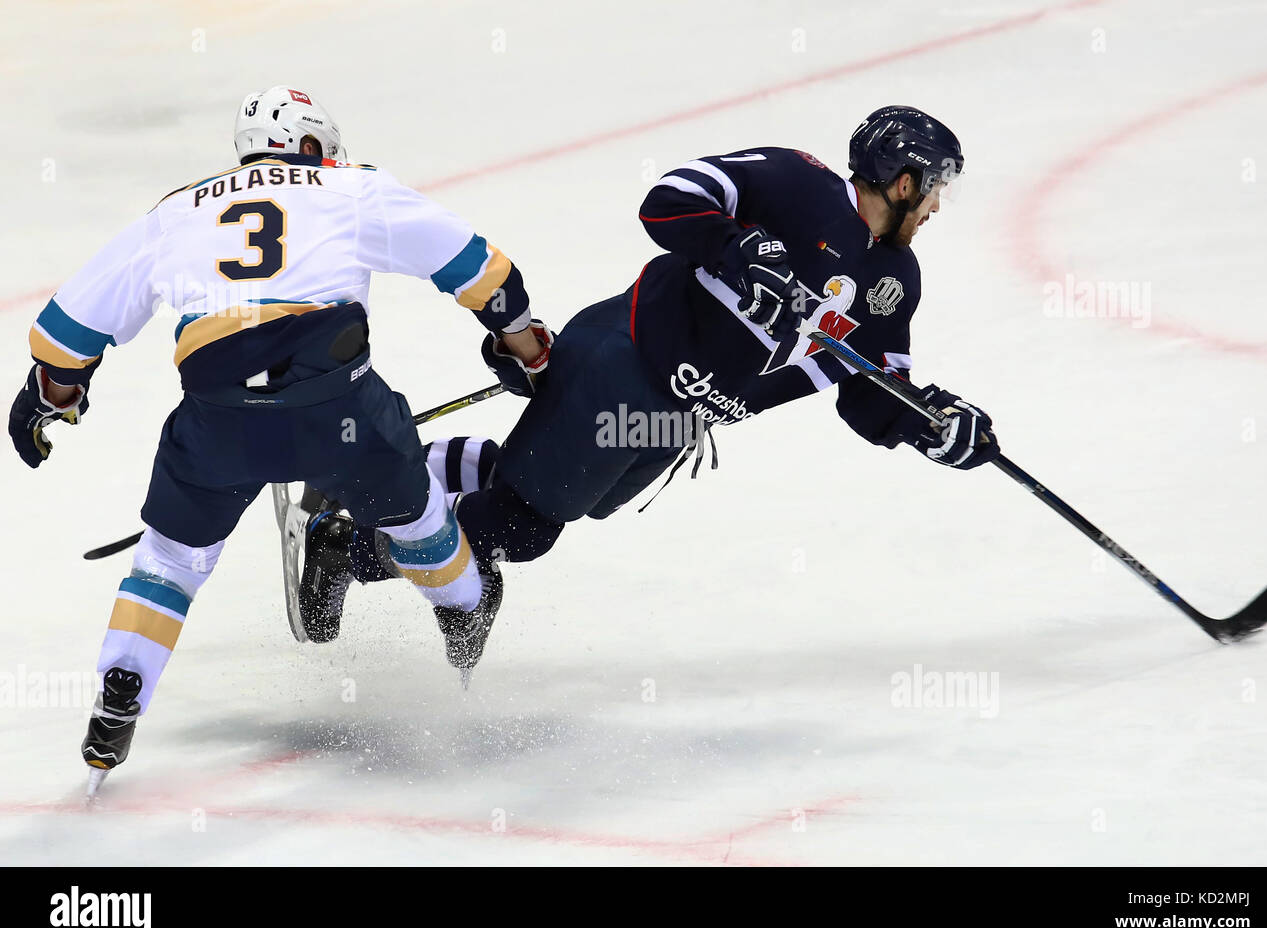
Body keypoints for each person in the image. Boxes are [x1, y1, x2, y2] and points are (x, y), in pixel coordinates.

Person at [7, 85, 551, 788]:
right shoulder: (347, 187)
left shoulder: (178, 210)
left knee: (170, 559)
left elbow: (69, 332)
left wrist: (48, 399)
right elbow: (480, 269)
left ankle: (121, 692)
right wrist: (527, 348)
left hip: (219, 421)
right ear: (312, 146)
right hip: (343, 413)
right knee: (416, 515)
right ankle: (461, 608)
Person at [301, 105, 1000, 634]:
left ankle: (390, 473)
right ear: (905, 182)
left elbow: (870, 394)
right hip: (625, 361)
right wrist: (738, 246)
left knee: (542, 488)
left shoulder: (893, 283)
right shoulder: (798, 184)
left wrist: (931, 424)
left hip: (674, 417)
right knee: (524, 526)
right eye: (936, 188)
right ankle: (347, 547)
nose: (938, 206)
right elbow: (669, 198)